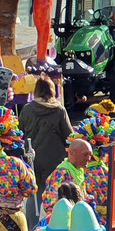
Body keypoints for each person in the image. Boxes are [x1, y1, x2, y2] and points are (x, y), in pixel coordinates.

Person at [17, 78, 72, 218]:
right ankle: (57, 226)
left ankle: (31, 230)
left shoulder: (27, 109)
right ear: (52, 90)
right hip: (55, 160)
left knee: (34, 197)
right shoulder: (59, 110)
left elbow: (19, 133)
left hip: (33, 159)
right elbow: (69, 136)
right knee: (57, 196)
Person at [39, 138, 94, 222]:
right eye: (85, 155)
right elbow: (50, 203)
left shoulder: (79, 170)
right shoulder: (61, 173)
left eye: (90, 155)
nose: (89, 158)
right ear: (71, 153)